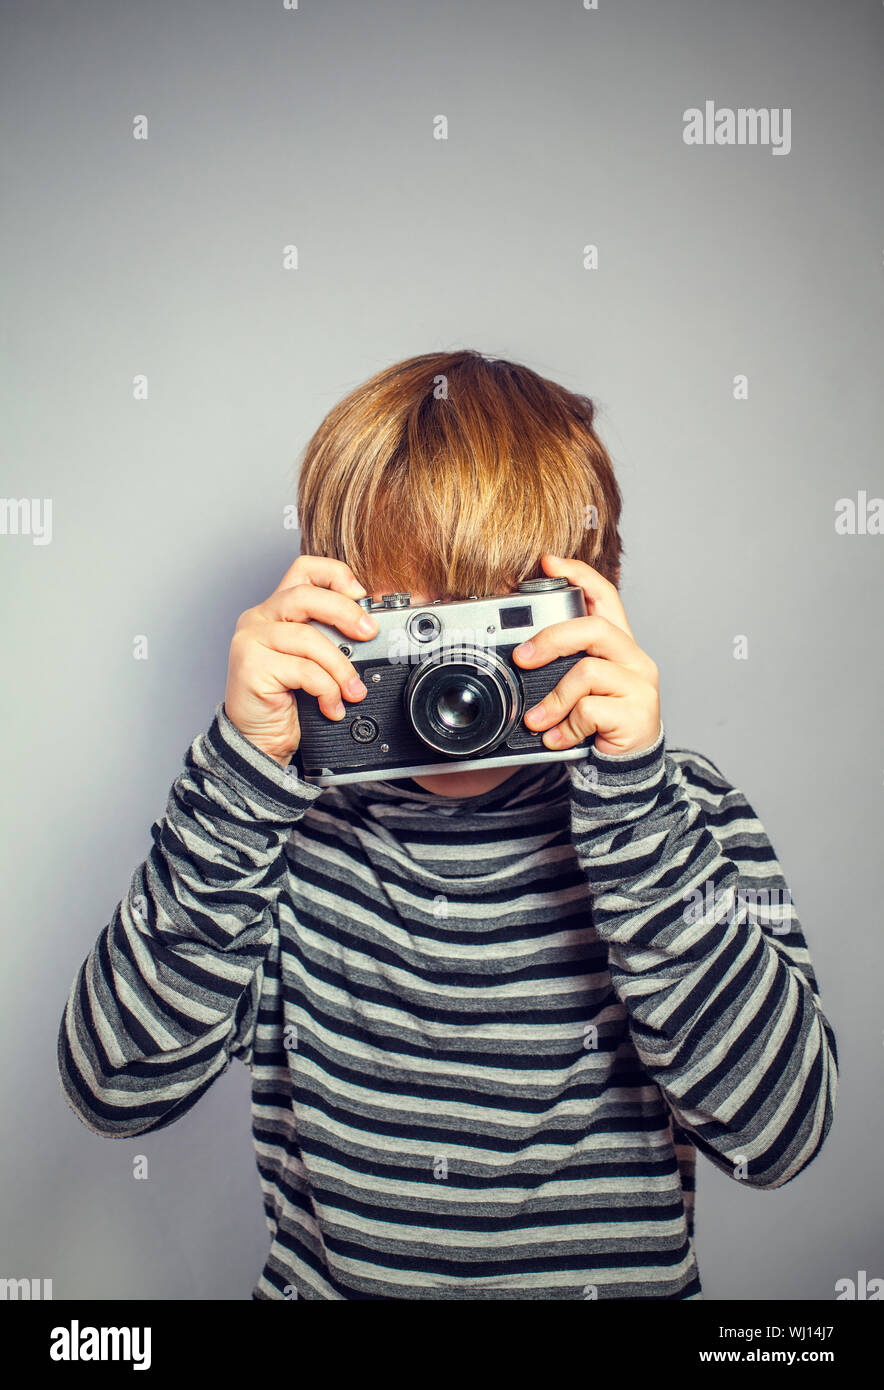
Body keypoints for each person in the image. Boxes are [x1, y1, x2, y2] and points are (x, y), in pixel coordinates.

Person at [57, 349, 838, 1300]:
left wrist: (633, 809)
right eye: (406, 617)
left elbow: (782, 1135)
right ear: (330, 607)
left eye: (497, 617)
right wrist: (243, 776)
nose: (454, 680)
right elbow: (115, 1088)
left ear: (594, 602)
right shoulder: (277, 821)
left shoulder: (679, 816)